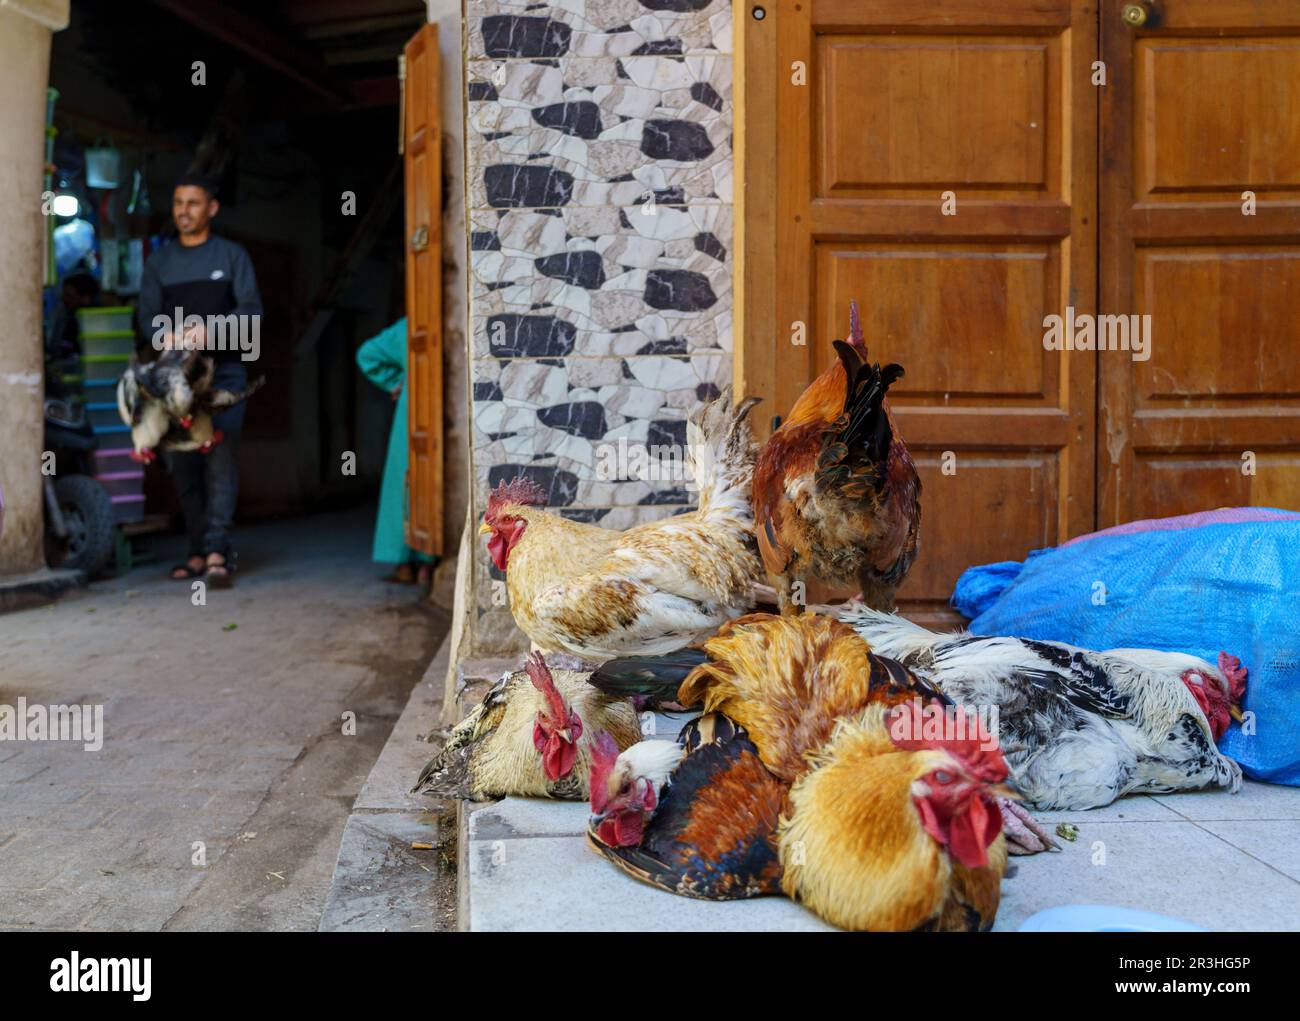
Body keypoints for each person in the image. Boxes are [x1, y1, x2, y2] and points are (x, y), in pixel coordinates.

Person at [137, 173, 262, 588]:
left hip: (224, 375)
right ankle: (195, 550)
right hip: (175, 381)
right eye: (177, 203)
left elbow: (252, 314)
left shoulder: (232, 256)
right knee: (185, 465)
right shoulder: (160, 263)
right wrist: (164, 334)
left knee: (219, 459)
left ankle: (216, 552)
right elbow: (144, 321)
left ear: (211, 208)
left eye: (192, 203)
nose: (183, 211)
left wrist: (209, 331)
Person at [356, 317, 432, 585]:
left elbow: (368, 354)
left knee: (404, 481)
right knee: (433, 483)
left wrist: (397, 381)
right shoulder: (451, 325)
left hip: (412, 416)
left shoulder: (410, 326)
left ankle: (403, 562)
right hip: (443, 412)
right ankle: (428, 565)